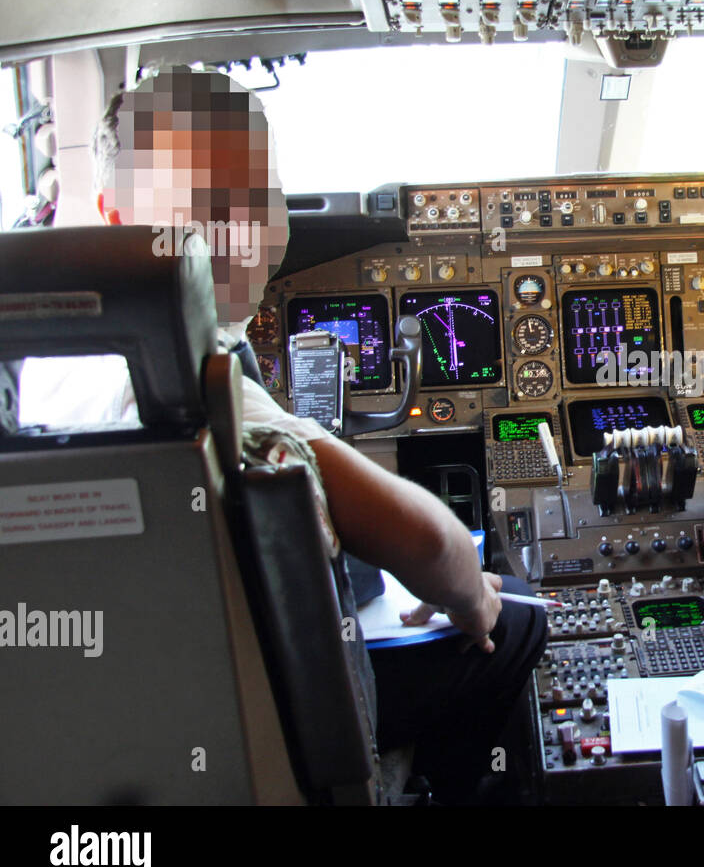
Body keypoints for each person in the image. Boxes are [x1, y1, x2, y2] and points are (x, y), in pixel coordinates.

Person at [19, 66, 546, 802]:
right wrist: (468, 596)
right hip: (262, 706)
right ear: (114, 212)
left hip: (121, 710)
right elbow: (433, 546)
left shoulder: (40, 373)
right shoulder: (208, 397)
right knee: (513, 616)